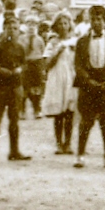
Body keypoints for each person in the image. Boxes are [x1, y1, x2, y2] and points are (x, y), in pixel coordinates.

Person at [71, 5, 105, 169]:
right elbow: (78, 65)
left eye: (99, 19)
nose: (96, 23)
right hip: (88, 84)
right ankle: (80, 155)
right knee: (85, 121)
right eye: (93, 19)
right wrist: (87, 80)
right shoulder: (82, 42)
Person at [0, 12, 30, 162]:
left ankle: (14, 151)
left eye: (15, 28)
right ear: (4, 29)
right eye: (9, 28)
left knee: (14, 120)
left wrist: (19, 69)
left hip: (15, 87)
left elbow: (24, 63)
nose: (12, 31)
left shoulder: (20, 48)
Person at [40, 12, 78, 155]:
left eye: (65, 23)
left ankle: (68, 143)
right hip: (57, 77)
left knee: (70, 110)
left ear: (70, 25)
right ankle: (58, 143)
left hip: (70, 76)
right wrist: (58, 51)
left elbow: (79, 61)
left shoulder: (74, 42)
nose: (63, 26)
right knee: (58, 113)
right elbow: (47, 64)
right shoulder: (52, 43)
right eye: (60, 24)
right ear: (56, 26)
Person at [20, 11, 48, 117]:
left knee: (36, 88)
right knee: (24, 87)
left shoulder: (39, 39)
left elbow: (43, 53)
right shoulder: (22, 39)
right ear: (25, 26)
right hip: (26, 63)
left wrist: (42, 68)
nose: (31, 27)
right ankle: (22, 110)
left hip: (36, 64)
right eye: (29, 24)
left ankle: (37, 109)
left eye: (34, 24)